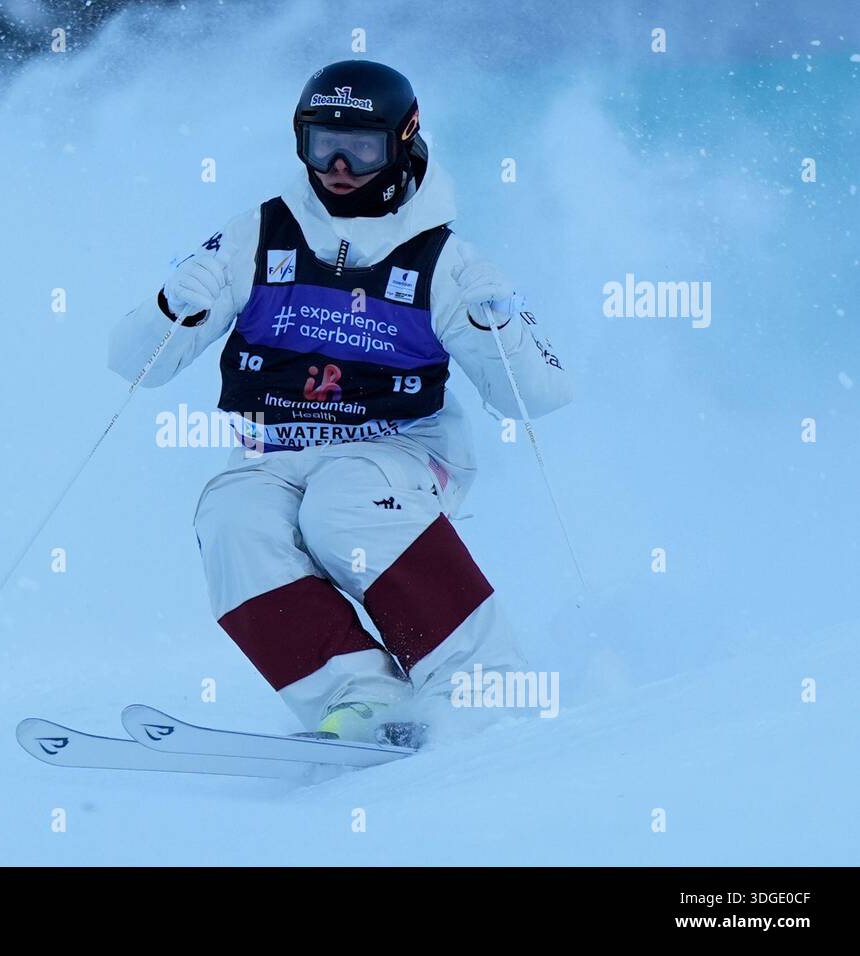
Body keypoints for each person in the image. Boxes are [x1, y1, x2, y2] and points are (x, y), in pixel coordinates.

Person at [108, 60, 571, 746]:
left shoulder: (447, 261)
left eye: (362, 146)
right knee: (232, 518)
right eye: (322, 143)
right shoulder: (256, 237)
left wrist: (496, 327)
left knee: (343, 505)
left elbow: (539, 399)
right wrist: (172, 306)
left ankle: (484, 683)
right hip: (279, 447)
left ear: (405, 139)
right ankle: (360, 697)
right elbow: (133, 365)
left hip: (399, 446)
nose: (340, 166)